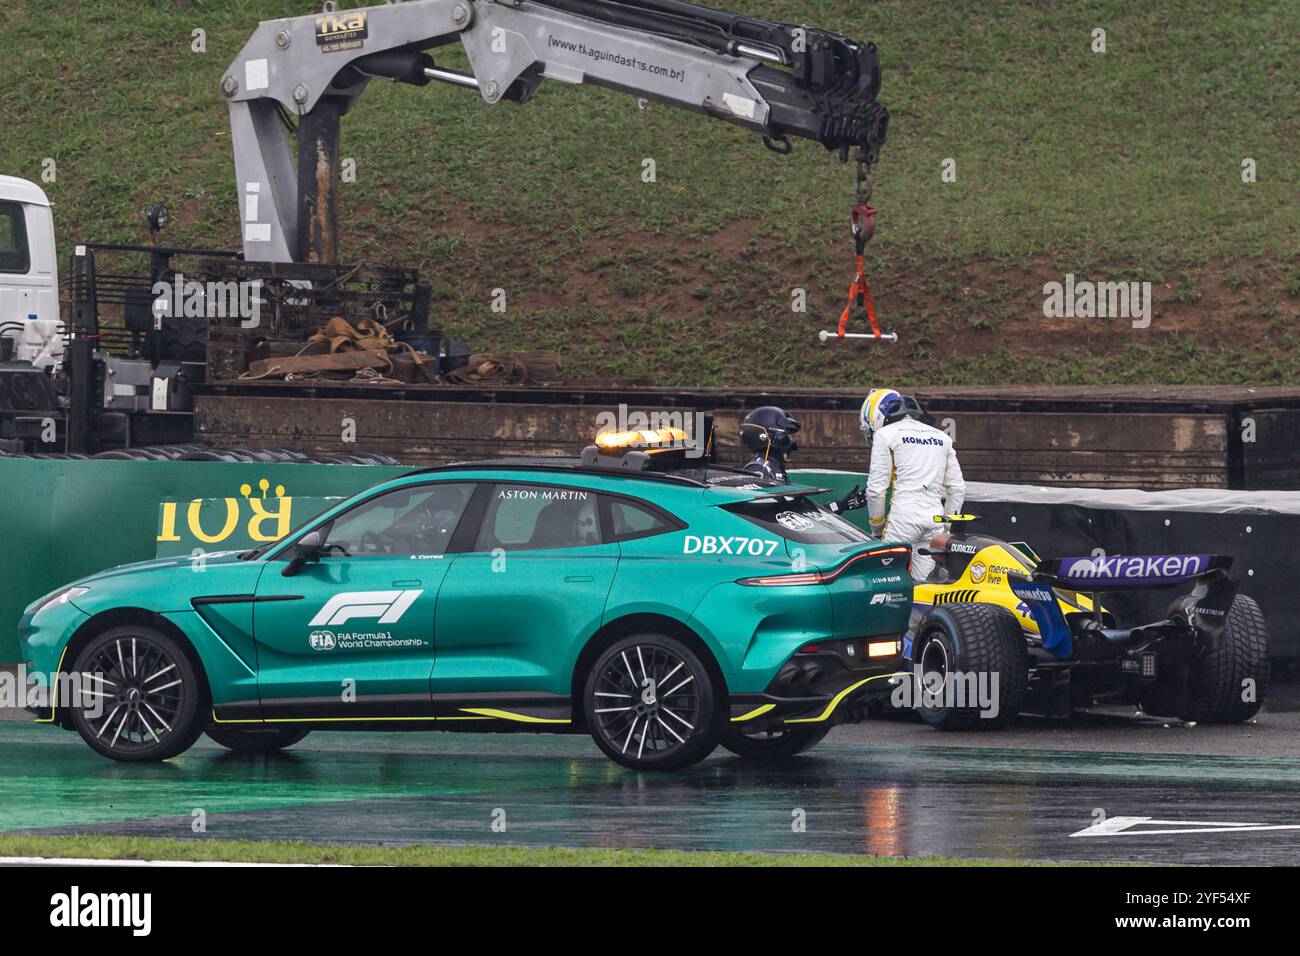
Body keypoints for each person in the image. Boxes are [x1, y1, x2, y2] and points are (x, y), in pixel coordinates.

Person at [861, 388, 966, 580]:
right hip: (934, 520)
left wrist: (877, 529)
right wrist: (945, 529)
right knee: (922, 588)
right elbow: (957, 489)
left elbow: (876, 490)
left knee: (887, 581)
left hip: (902, 519)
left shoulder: (884, 435)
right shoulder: (943, 438)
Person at [740, 406, 866, 514]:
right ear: (769, 435)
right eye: (787, 434)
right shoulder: (759, 469)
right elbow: (771, 516)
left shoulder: (773, 468)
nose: (791, 441)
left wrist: (840, 505)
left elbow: (794, 514)